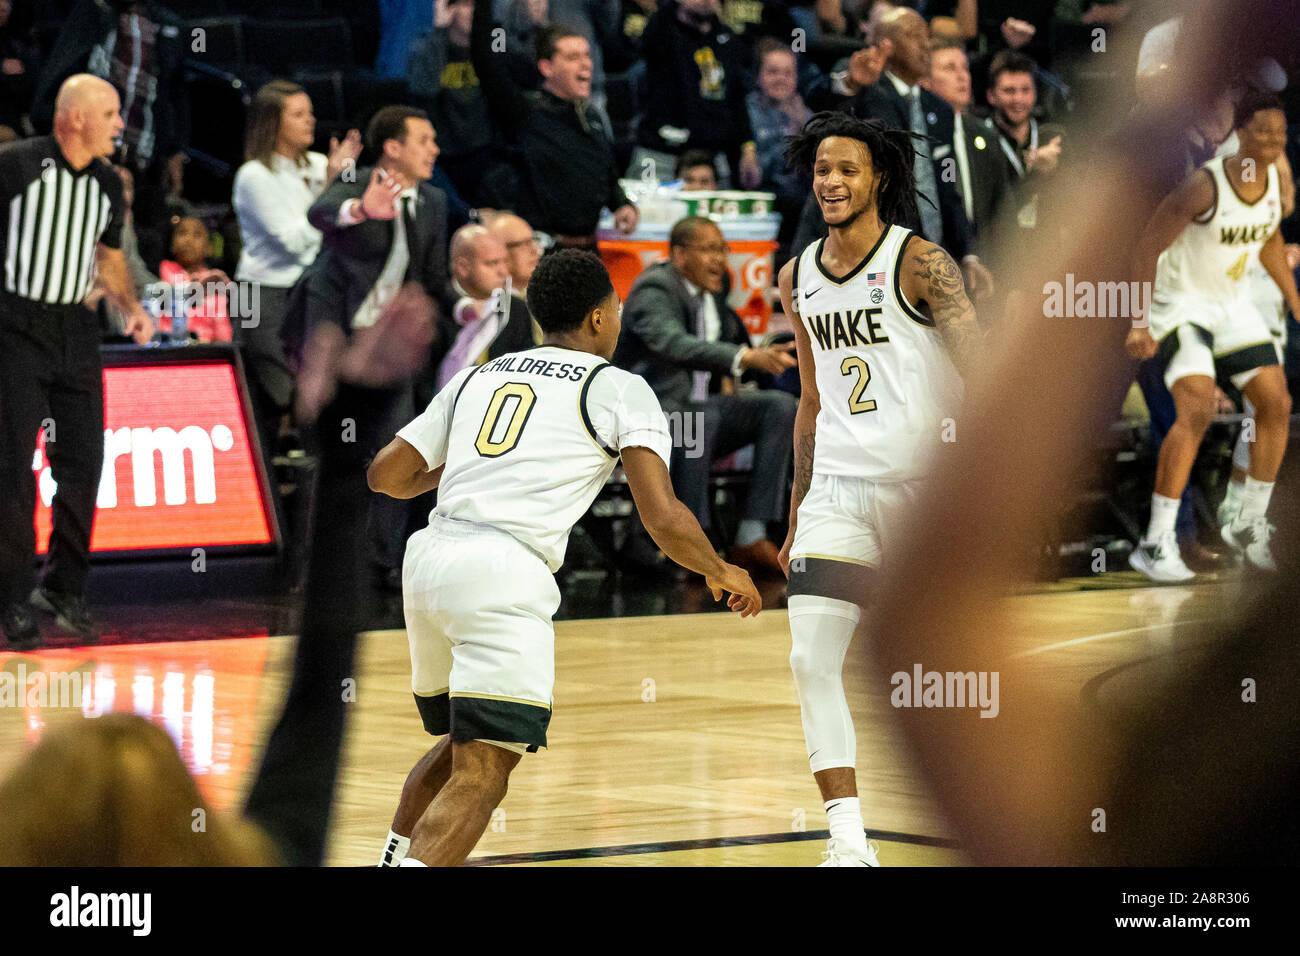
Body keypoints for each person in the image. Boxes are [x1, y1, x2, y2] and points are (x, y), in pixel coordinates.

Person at [368, 249, 760, 867]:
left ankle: (392, 857)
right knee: (485, 771)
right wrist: (721, 569)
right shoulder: (621, 389)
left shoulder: (482, 374)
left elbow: (386, 475)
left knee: (462, 742)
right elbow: (661, 516)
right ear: (601, 318)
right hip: (502, 571)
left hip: (430, 565)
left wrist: (461, 470)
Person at [776, 111, 981, 865]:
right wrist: (796, 511)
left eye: (847, 170)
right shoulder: (796, 275)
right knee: (810, 661)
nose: (830, 182)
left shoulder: (921, 264)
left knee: (942, 676)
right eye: (822, 170)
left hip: (921, 492)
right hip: (837, 491)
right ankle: (850, 843)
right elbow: (811, 398)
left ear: (879, 179)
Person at [0, 75, 154, 651]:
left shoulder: (109, 183)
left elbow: (110, 257)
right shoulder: (15, 165)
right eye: (111, 113)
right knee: (12, 469)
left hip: (74, 331)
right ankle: (10, 597)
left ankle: (65, 587)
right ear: (75, 118)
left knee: (85, 461)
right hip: (13, 325)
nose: (120, 123)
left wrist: (130, 307)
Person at [1125, 92, 1298, 580]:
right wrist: (1139, 321)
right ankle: (1156, 542)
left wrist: (1294, 298)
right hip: (1180, 305)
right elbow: (1145, 247)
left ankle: (1246, 522)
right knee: (1197, 407)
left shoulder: (1270, 182)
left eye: (1280, 133)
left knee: (1275, 403)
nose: (1272, 140)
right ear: (1240, 132)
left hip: (1231, 302)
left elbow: (1268, 238)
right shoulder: (1205, 184)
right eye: (1262, 131)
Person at [615, 216, 799, 576]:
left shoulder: (714, 291)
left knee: (779, 407)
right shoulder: (655, 288)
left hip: (701, 416)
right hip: (653, 418)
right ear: (680, 255)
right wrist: (743, 358)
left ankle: (751, 533)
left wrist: (765, 356)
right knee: (701, 416)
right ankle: (692, 542)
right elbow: (673, 343)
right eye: (710, 250)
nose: (720, 259)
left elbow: (731, 340)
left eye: (723, 250)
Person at [233, 80, 362, 476]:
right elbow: (295, 243)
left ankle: (315, 494)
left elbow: (346, 227)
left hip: (311, 290)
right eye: (299, 114)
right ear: (273, 122)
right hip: (259, 296)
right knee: (277, 396)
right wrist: (331, 188)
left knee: (318, 396)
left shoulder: (320, 163)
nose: (311, 121)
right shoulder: (253, 175)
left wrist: (341, 184)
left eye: (310, 112)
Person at [32, 1, 190, 265]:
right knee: (82, 237)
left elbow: (176, 91)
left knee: (143, 242)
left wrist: (175, 149)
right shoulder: (94, 12)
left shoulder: (168, 24)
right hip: (91, 154)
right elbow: (62, 76)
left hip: (144, 153)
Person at [470, 0, 638, 249]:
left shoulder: (592, 116)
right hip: (545, 252)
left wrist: (621, 203)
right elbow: (488, 61)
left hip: (590, 249)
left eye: (586, 55)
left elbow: (605, 172)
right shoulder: (526, 114)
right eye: (572, 57)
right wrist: (489, 12)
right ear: (546, 67)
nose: (586, 64)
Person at [637, 0, 762, 189]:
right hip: (661, 155)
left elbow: (737, 100)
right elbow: (649, 40)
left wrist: (748, 147)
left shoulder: (727, 39)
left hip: (712, 158)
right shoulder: (662, 31)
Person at [922, 37, 1010, 244]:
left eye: (965, 68)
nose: (962, 76)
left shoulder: (985, 134)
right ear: (924, 81)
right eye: (949, 68)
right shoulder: (918, 135)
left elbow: (1003, 207)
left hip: (982, 257)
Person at [432, 224, 537, 389]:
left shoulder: (516, 309)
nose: (503, 271)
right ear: (463, 267)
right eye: (492, 263)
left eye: (505, 261)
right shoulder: (435, 307)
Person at [155, 216, 233, 343]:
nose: (188, 240)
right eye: (182, 233)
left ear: (209, 247)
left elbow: (223, 334)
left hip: (207, 353)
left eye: (197, 234)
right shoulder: (162, 271)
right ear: (172, 243)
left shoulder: (214, 280)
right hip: (168, 350)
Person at [485, 211, 543, 299]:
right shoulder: (492, 305)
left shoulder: (547, 293)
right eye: (524, 244)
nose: (534, 251)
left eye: (533, 241)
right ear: (500, 252)